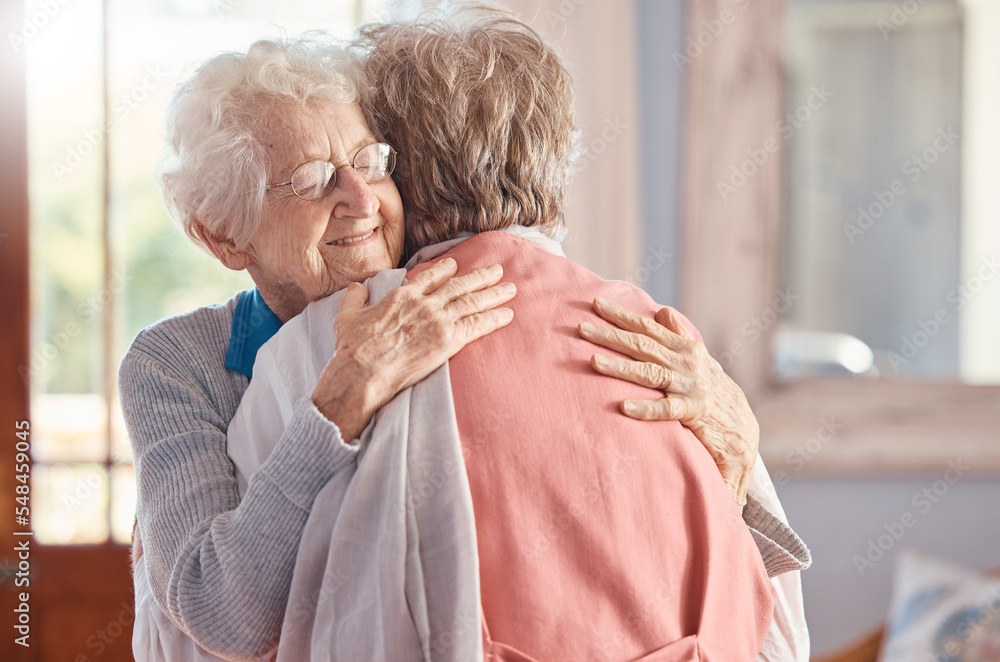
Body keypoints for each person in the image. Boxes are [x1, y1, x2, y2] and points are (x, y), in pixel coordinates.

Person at [122, 12, 805, 662]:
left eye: (373, 160)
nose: (362, 200)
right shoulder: (182, 362)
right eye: (311, 180)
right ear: (223, 234)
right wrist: (338, 404)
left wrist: (734, 451)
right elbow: (219, 610)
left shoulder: (481, 306)